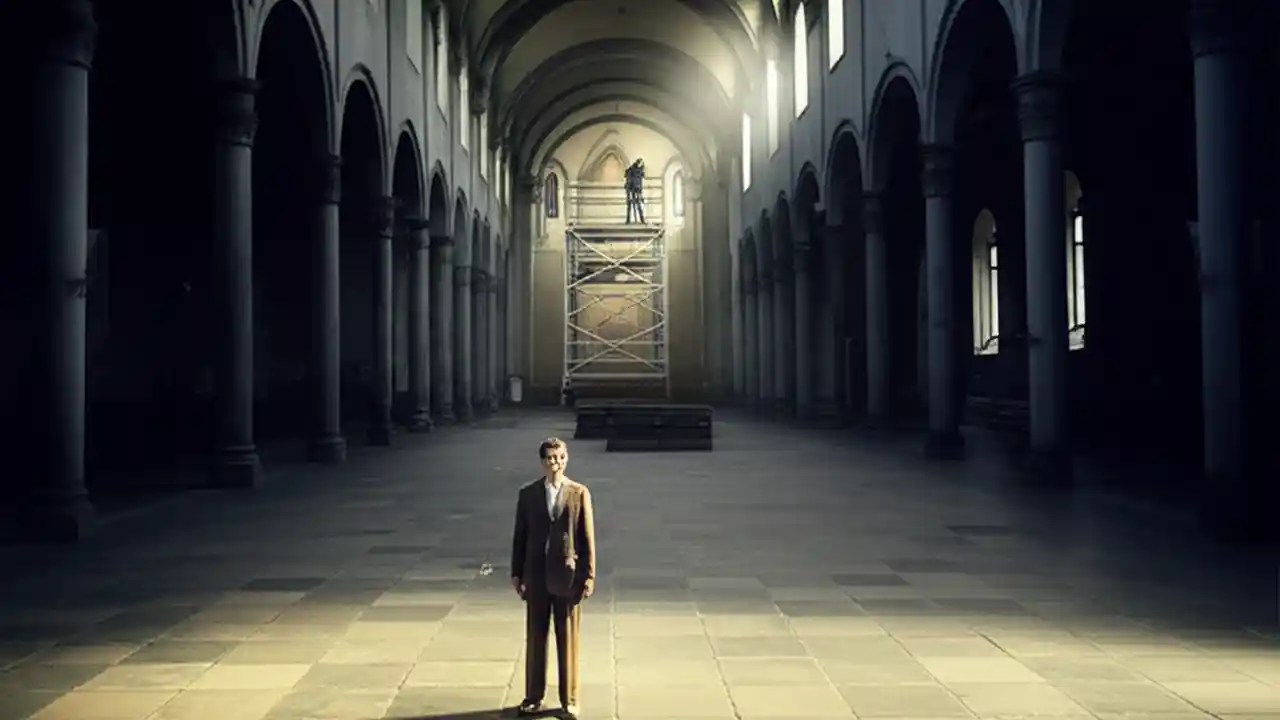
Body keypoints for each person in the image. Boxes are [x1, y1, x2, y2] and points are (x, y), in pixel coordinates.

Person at [511, 437, 597, 719]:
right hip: (535, 575)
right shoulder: (528, 494)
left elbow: (586, 538)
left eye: (559, 457)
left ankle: (569, 699)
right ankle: (533, 697)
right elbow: (520, 537)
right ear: (542, 462)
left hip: (567, 576)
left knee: (568, 638)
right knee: (536, 638)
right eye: (549, 458)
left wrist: (589, 575)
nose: (555, 462)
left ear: (566, 459)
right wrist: (516, 572)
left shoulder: (579, 493)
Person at [625, 158, 646, 224]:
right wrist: (630, 191)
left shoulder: (640, 171)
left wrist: (640, 190)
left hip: (637, 189)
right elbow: (629, 180)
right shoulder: (631, 170)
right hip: (631, 189)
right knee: (630, 205)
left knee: (639, 205)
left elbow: (640, 181)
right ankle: (628, 220)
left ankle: (642, 220)